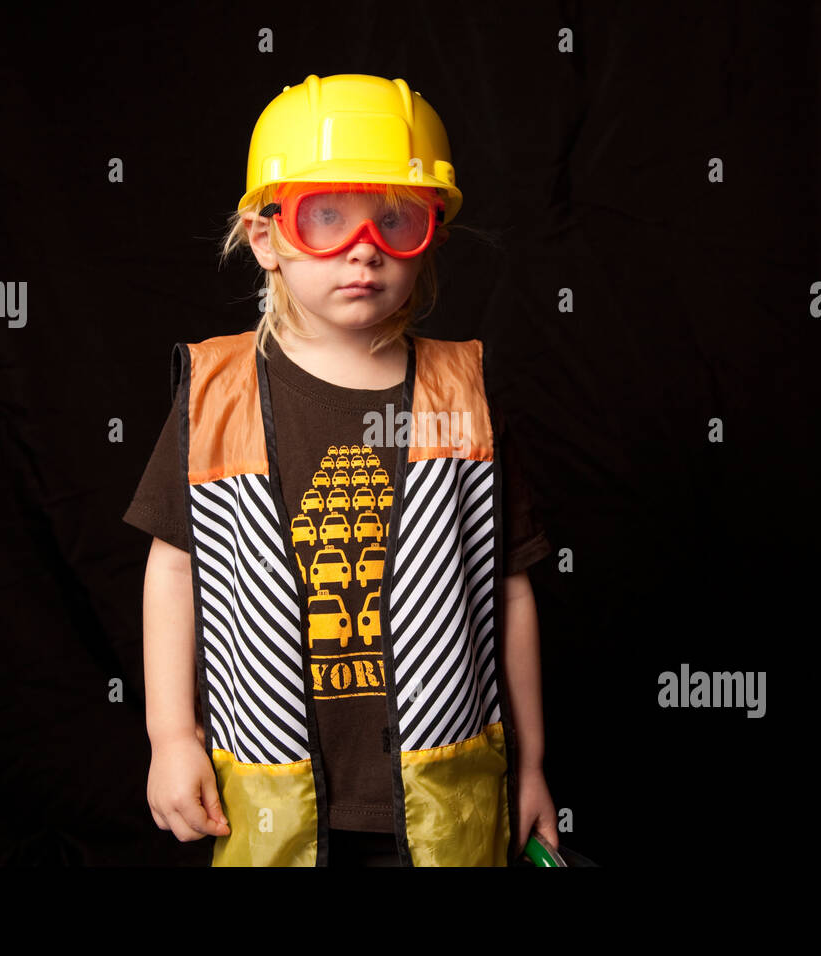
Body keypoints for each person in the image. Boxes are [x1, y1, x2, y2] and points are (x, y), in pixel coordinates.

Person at [124, 73, 558, 866]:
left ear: (432, 236)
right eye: (327, 217)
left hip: (446, 791)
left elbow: (510, 587)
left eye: (397, 219)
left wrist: (529, 767)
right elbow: (173, 568)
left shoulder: (463, 392)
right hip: (270, 797)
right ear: (266, 239)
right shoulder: (217, 394)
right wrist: (169, 735)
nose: (365, 247)